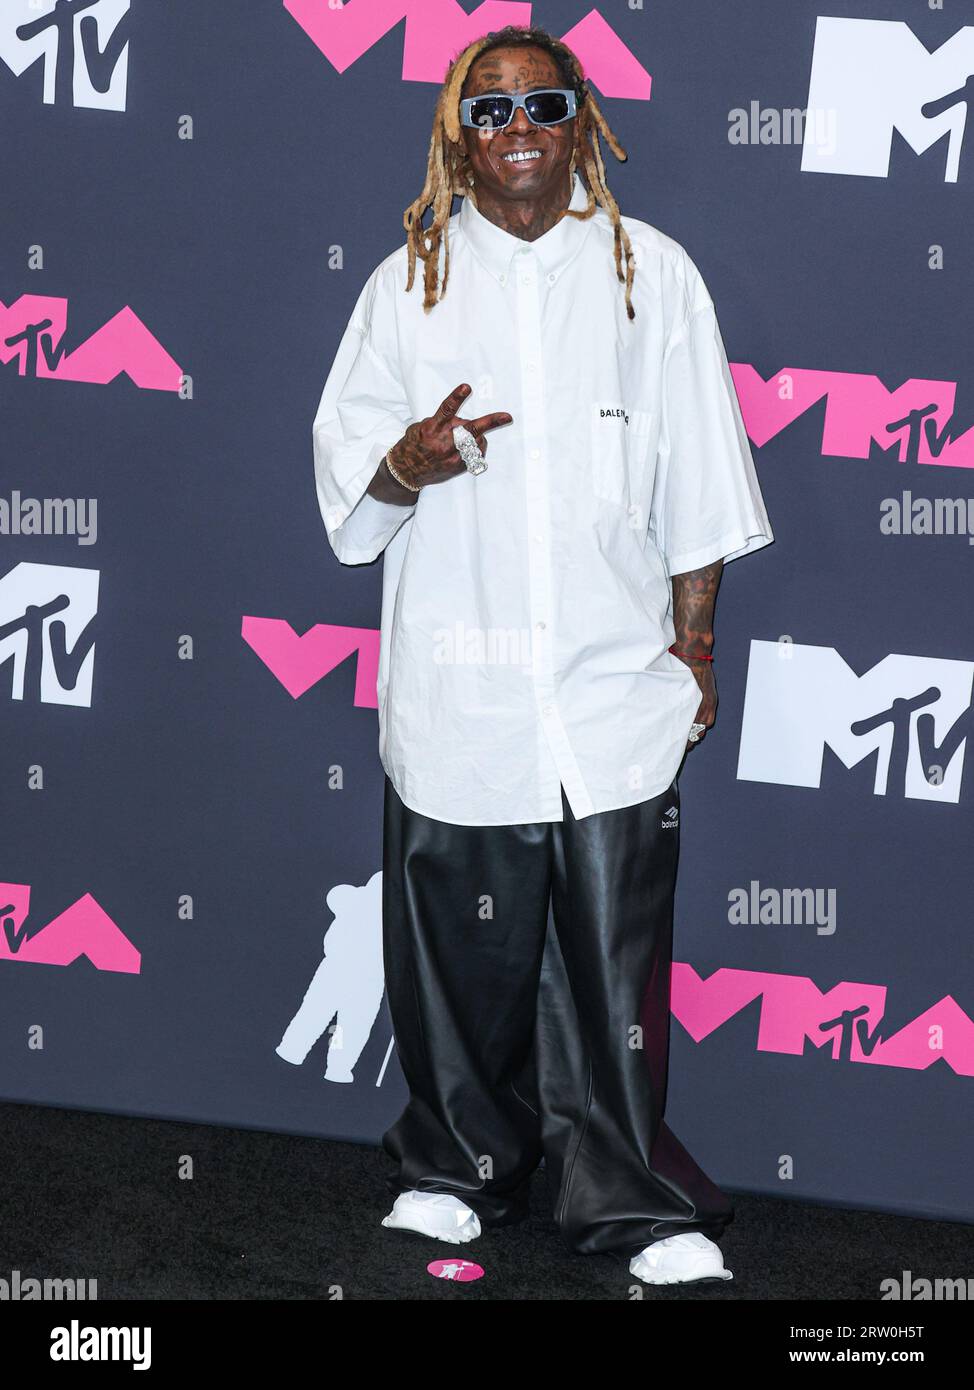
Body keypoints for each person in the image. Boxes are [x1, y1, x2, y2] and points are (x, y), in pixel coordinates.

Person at [312, 23, 773, 1286]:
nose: (516, 129)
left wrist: (691, 643)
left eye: (541, 104)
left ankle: (626, 1200)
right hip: (459, 685)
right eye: (488, 111)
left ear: (583, 124)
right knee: (455, 954)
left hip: (611, 686)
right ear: (454, 140)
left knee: (609, 965)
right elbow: (349, 480)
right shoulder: (401, 285)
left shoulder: (650, 276)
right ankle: (451, 1167)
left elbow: (698, 473)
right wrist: (407, 460)